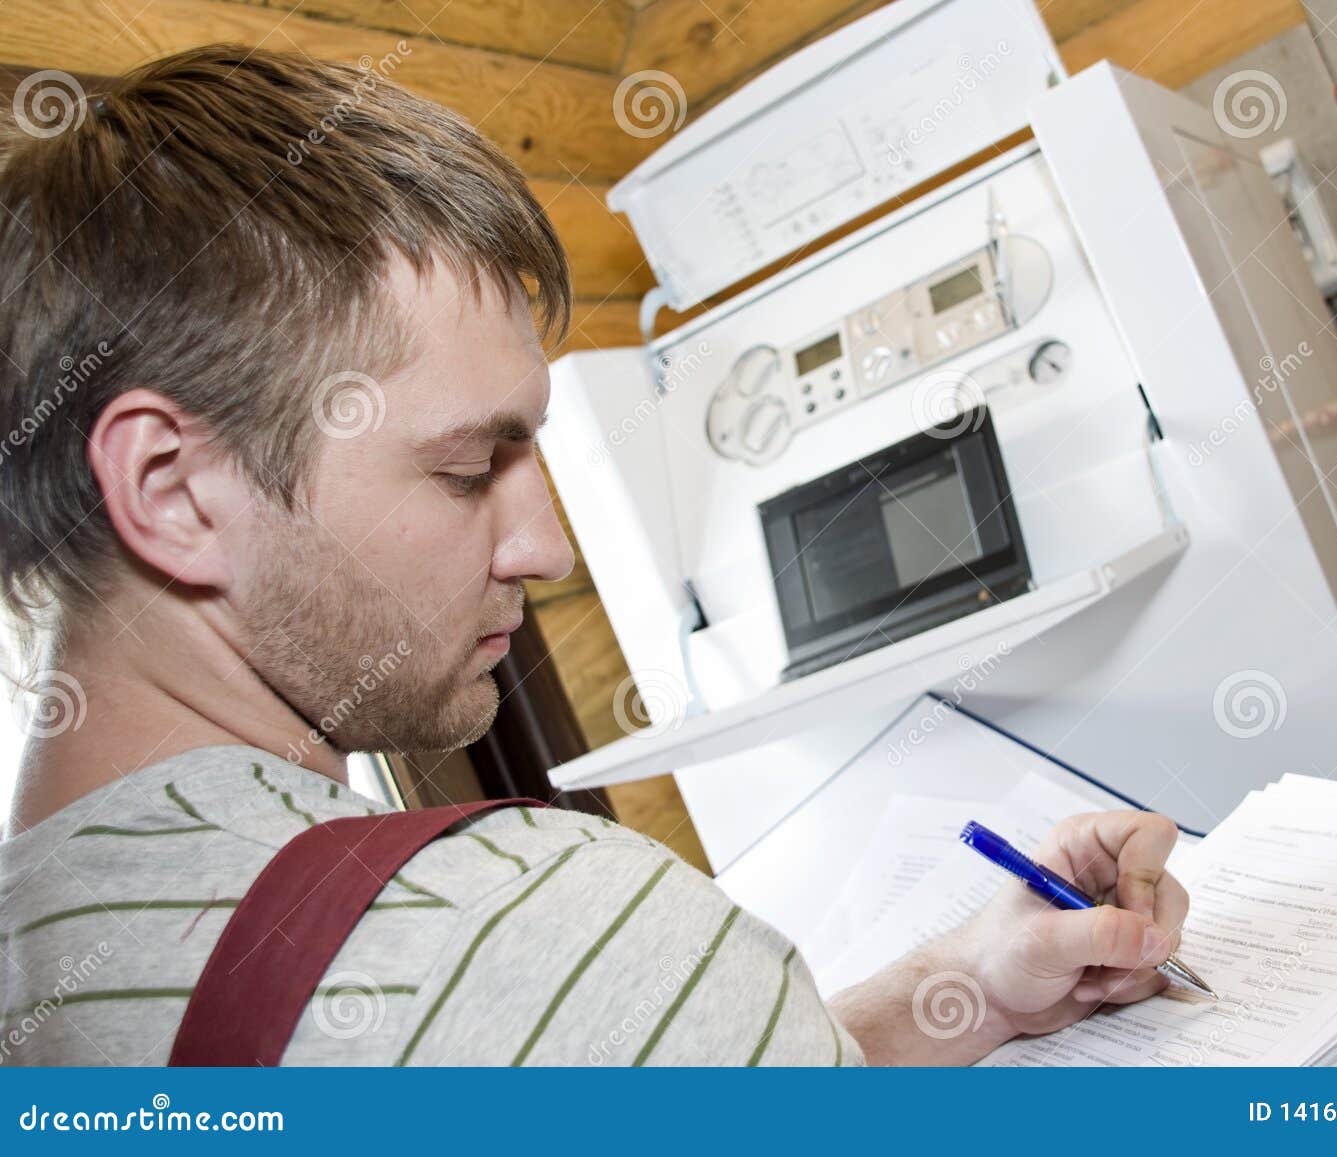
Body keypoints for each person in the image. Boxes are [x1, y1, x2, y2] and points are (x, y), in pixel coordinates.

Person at [0, 45, 1189, 1066]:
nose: (545, 546)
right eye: (467, 467)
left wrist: (968, 984)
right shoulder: (526, 923)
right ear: (173, 487)